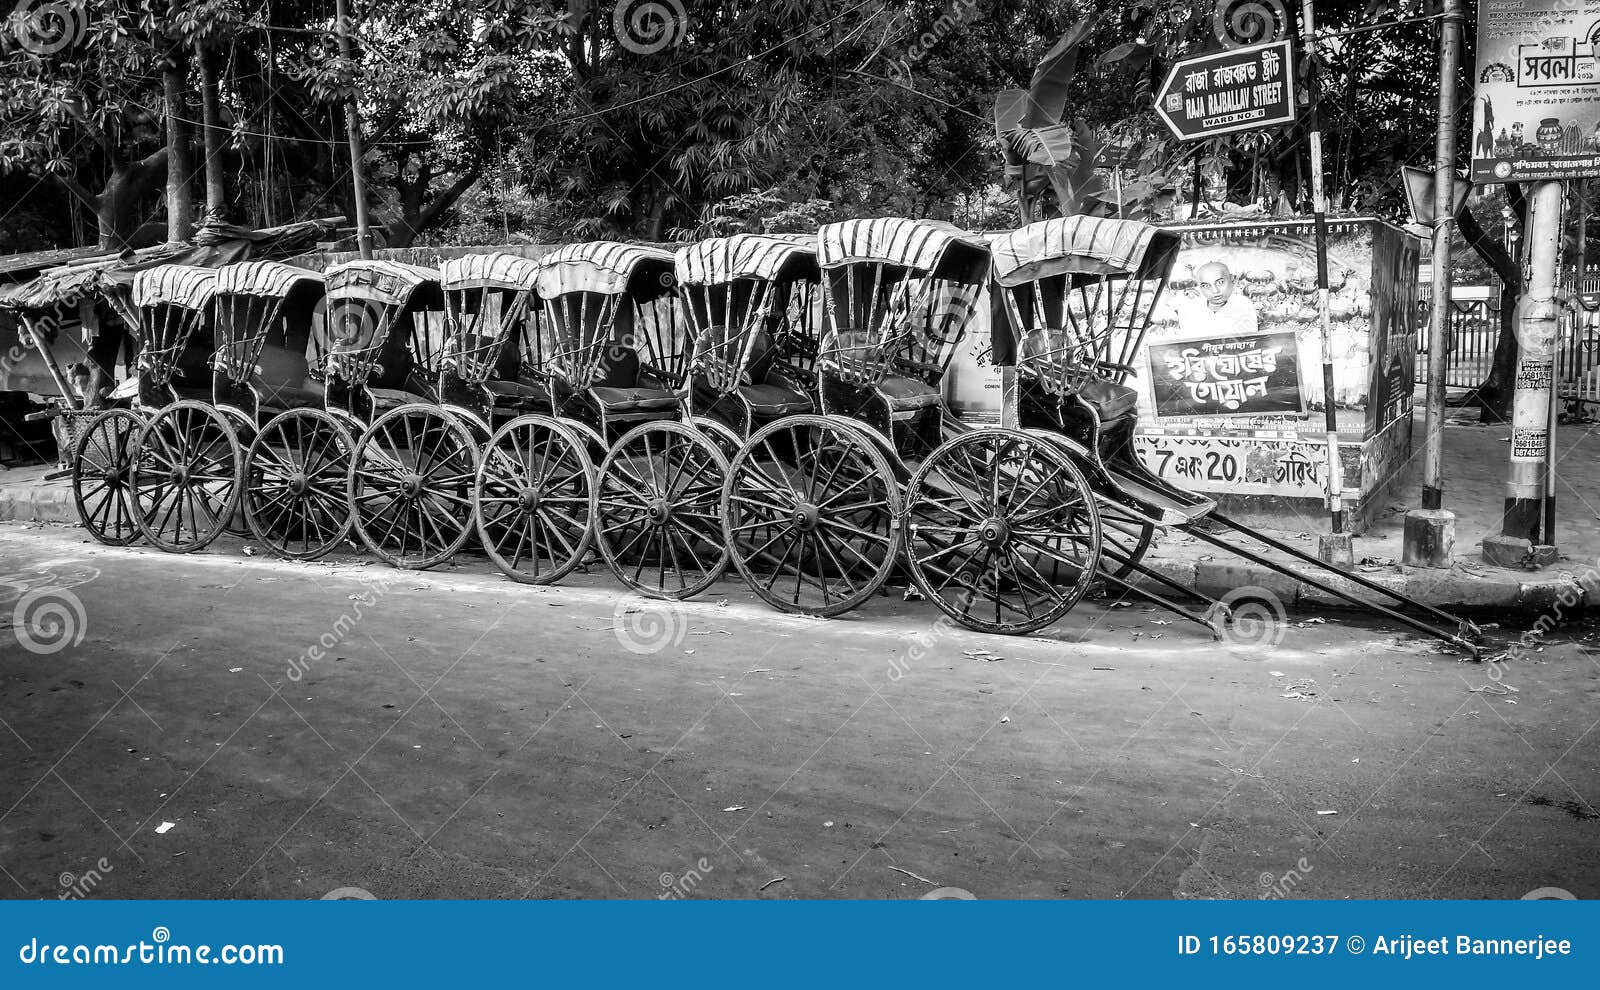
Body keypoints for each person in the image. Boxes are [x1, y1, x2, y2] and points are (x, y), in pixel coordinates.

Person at [1179, 261, 1259, 337]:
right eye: (1206, 286)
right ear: (1199, 287)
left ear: (1231, 279)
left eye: (1220, 282)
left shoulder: (1244, 305)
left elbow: (1249, 342)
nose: (1215, 291)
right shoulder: (1188, 309)